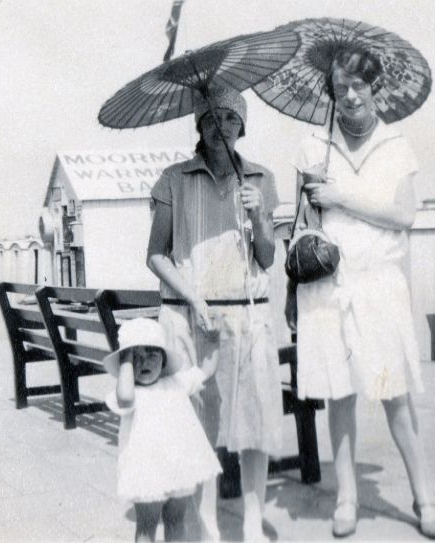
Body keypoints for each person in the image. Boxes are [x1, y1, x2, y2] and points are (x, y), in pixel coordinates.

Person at [285, 48, 435, 540]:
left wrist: (342, 197)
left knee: (394, 394)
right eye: (341, 87)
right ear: (331, 91)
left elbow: (403, 216)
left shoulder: (396, 145)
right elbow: (302, 225)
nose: (350, 95)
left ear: (376, 86)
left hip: (379, 284)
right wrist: (292, 291)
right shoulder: (313, 147)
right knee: (340, 394)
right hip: (328, 288)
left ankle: (425, 497)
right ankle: (347, 498)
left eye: (359, 85)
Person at [146, 85, 284, 541]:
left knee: (254, 424)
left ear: (242, 126)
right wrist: (193, 298)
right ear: (199, 127)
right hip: (191, 319)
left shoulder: (261, 178)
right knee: (197, 428)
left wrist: (259, 216)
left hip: (247, 316)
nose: (220, 127)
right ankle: (204, 523)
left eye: (229, 118)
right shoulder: (173, 179)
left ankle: (252, 523)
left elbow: (267, 258)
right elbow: (156, 255)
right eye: (210, 119)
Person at [103, 318, 222, 542]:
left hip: (179, 467)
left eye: (152, 354)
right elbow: (125, 398)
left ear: (164, 359)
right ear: (125, 366)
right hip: (147, 472)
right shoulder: (131, 392)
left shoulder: (177, 382)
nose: (144, 362)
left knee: (176, 521)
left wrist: (214, 341)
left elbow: (206, 371)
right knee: (147, 526)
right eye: (135, 357)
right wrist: (125, 359)